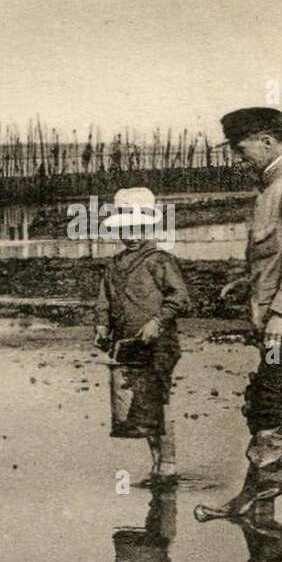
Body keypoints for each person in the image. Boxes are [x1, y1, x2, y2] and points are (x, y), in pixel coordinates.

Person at [195, 107, 282, 521]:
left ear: (266, 140)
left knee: (271, 401)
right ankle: (270, 497)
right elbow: (276, 254)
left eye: (241, 149)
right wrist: (248, 282)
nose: (238, 157)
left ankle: (258, 496)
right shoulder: (274, 185)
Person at [94, 188, 190, 484]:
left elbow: (180, 298)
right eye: (125, 229)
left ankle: (169, 464)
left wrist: (157, 322)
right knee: (138, 403)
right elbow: (104, 301)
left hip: (158, 344)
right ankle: (157, 464)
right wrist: (101, 326)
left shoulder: (160, 261)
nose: (132, 235)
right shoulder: (114, 265)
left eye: (137, 229)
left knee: (158, 400)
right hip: (127, 344)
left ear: (149, 227)